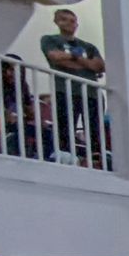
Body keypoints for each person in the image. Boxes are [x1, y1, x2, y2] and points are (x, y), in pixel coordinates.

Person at [39, 8, 105, 157]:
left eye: (72, 20)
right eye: (64, 19)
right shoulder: (50, 40)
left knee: (95, 129)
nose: (69, 23)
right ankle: (66, 156)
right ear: (56, 21)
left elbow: (99, 66)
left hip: (91, 92)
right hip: (65, 90)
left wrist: (72, 58)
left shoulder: (88, 46)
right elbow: (55, 57)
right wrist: (85, 63)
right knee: (65, 127)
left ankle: (96, 156)